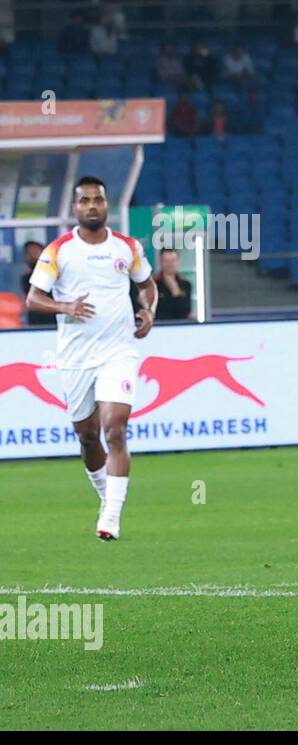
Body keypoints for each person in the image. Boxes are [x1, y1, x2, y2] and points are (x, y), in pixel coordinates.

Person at [25, 176, 158, 540]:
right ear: (75, 208)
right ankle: (106, 498)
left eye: (97, 199)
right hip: (75, 357)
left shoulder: (127, 248)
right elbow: (33, 299)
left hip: (118, 350)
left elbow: (147, 284)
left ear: (107, 204)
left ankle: (111, 518)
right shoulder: (59, 251)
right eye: (84, 201)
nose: (92, 206)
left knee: (115, 428)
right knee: (87, 437)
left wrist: (149, 311)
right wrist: (65, 305)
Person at [19, 241, 56, 327]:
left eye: (35, 252)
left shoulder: (55, 274)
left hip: (54, 318)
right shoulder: (26, 277)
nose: (32, 256)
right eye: (28, 253)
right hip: (35, 321)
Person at [152, 249, 193, 321]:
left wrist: (176, 292)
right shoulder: (152, 284)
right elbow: (156, 312)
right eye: (166, 261)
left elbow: (185, 312)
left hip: (181, 327)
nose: (170, 264)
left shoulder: (185, 284)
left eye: (173, 261)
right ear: (160, 262)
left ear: (178, 262)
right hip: (159, 327)